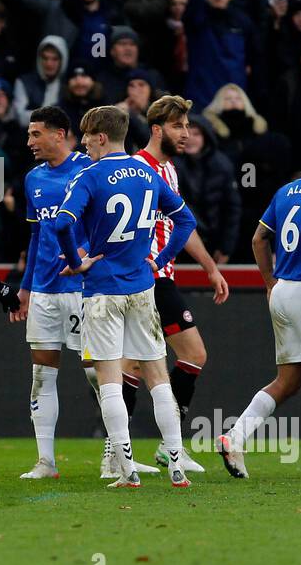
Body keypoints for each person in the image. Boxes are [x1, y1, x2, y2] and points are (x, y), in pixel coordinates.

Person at [53, 105, 197, 487]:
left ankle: (127, 469)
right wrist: (160, 260)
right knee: (158, 378)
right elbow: (186, 220)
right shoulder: (149, 175)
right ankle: (177, 465)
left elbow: (63, 222)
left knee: (109, 380)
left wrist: (76, 261)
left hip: (102, 291)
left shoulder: (91, 175)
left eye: (85, 135)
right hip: (143, 289)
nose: (82, 143)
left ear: (102, 136)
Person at [14, 106, 158, 479]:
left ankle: (116, 455)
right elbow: (35, 236)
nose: (30, 142)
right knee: (42, 373)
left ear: (59, 134)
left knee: (99, 372)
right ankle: (46, 461)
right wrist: (27, 287)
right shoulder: (33, 179)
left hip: (83, 288)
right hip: (45, 290)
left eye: (36, 134)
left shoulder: (89, 169)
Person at [218, 141, 301, 478]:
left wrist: (268, 283)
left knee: (289, 381)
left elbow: (259, 238)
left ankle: (235, 437)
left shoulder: (288, 190)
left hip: (282, 291)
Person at [132, 95, 231, 473]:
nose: (187, 133)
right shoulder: (139, 168)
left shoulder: (169, 170)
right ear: (157, 129)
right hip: (146, 278)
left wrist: (210, 268)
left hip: (161, 277)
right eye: (178, 126)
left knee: (178, 357)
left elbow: (181, 224)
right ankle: (130, 452)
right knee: (134, 364)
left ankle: (160, 447)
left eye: (187, 126)